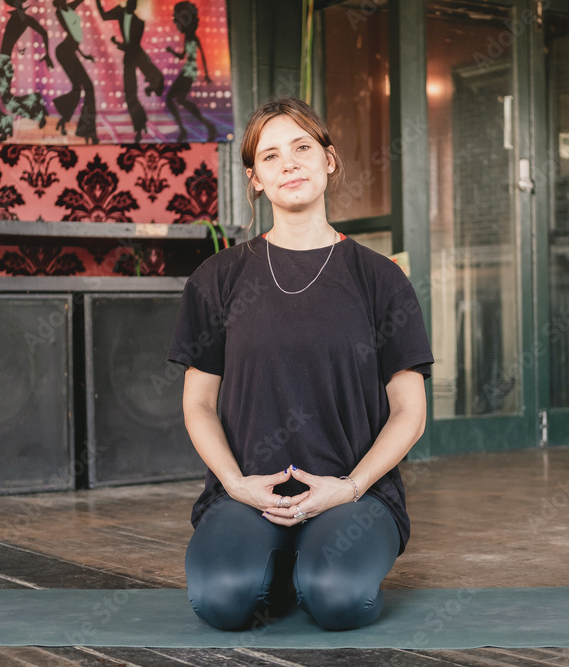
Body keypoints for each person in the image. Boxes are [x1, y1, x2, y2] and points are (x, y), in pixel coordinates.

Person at [167, 97, 433, 631]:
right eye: (270, 156)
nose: (288, 163)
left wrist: (351, 487)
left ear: (329, 161)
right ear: (255, 179)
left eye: (302, 148)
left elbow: (410, 412)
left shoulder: (381, 279)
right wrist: (235, 483)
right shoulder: (217, 279)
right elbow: (198, 403)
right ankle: (283, 560)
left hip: (353, 494)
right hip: (246, 493)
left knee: (337, 600)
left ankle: (312, 562)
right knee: (221, 601)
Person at [0, 0, 52, 142]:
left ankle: (8, 123)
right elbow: (10, 39)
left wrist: (48, 55)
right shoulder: (19, 18)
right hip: (3, 63)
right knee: (5, 100)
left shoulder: (23, 18)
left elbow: (43, 32)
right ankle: (33, 107)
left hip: (4, 65)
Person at [97, 0, 164, 143]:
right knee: (130, 94)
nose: (131, 5)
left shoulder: (139, 22)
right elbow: (103, 16)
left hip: (137, 55)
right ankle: (140, 125)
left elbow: (132, 46)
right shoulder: (120, 12)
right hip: (130, 57)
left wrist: (118, 44)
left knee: (157, 78)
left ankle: (152, 87)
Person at [164, 1, 216, 142]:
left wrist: (206, 74)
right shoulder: (188, 37)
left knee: (171, 99)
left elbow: (202, 55)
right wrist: (172, 51)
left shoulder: (192, 37)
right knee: (178, 99)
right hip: (188, 70)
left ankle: (187, 129)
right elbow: (183, 56)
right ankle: (204, 126)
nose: (176, 23)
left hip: (189, 72)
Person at [52, 0, 98, 144]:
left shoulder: (69, 7)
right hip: (64, 52)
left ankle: (67, 121)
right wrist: (82, 54)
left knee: (79, 89)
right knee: (88, 87)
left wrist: (84, 55)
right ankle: (88, 131)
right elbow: (72, 35)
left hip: (69, 50)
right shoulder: (59, 12)